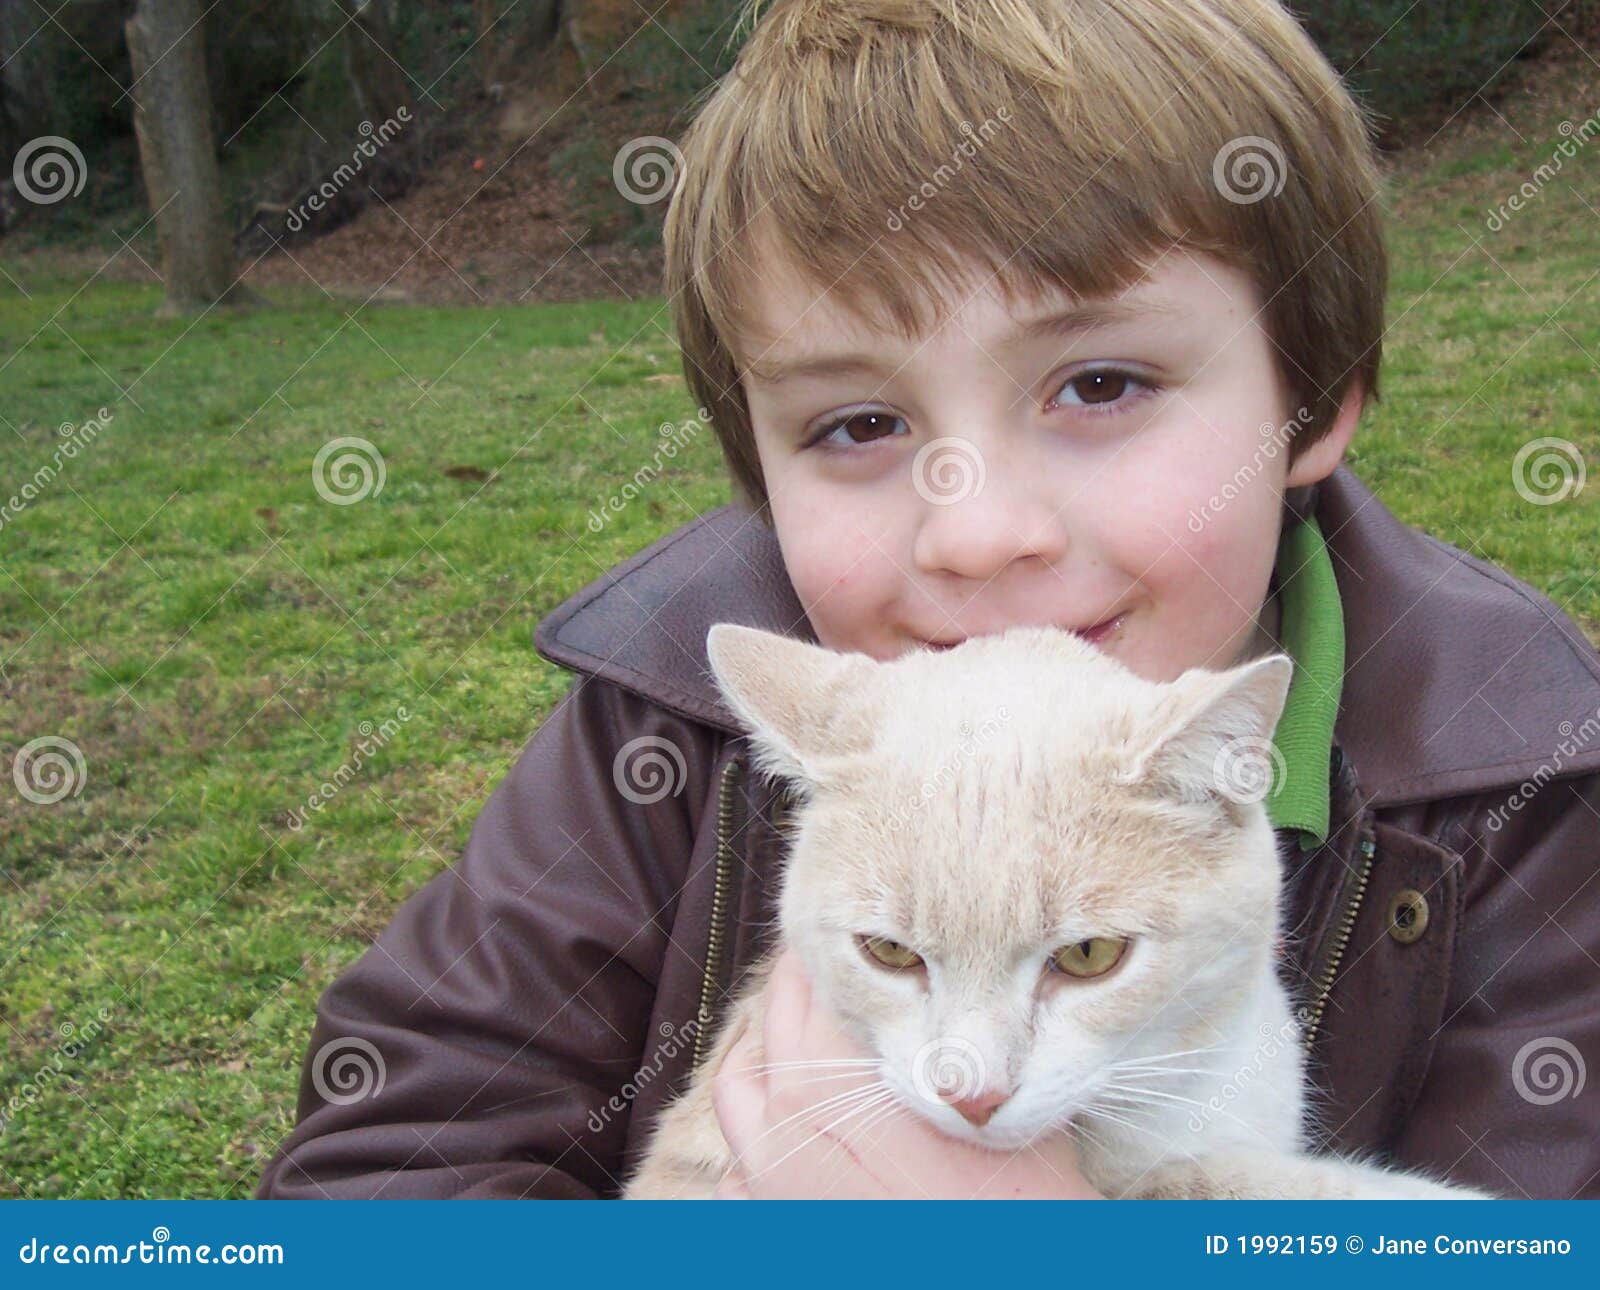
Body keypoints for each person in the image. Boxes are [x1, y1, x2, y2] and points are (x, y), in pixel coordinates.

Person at [258, 0, 1600, 1199]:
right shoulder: (663, 718)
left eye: (1099, 385)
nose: (977, 535)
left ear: (1314, 402)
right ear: (760, 476)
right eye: (857, 421)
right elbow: (385, 1171)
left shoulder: (1524, 787)